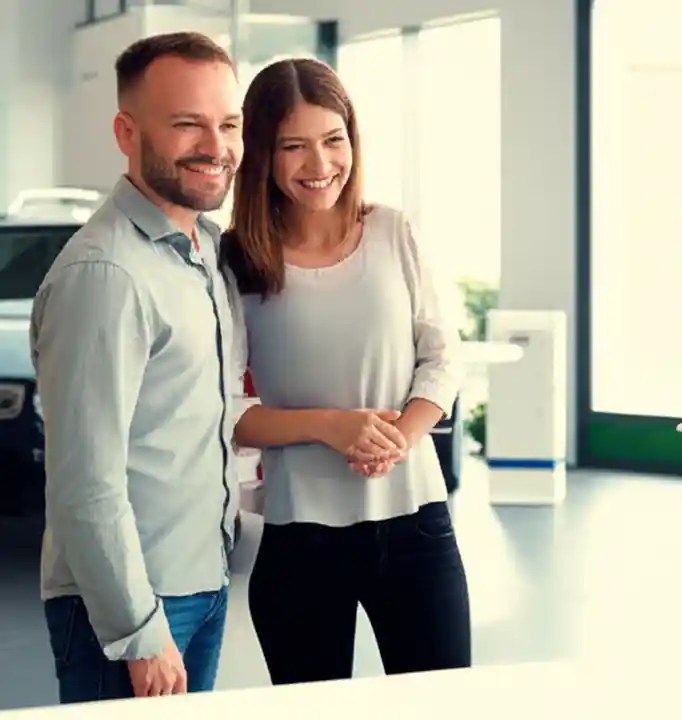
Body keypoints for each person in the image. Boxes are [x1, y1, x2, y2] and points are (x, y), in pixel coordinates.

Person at [219, 57, 471, 685]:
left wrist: (399, 440)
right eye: (294, 146)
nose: (320, 164)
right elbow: (225, 410)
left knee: (443, 703)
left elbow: (441, 356)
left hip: (415, 523)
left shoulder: (392, 231)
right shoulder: (236, 260)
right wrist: (331, 426)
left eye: (334, 140)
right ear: (261, 152)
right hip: (299, 536)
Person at [30, 32, 243, 703]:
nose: (216, 146)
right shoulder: (107, 274)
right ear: (127, 132)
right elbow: (86, 481)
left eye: (228, 124)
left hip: (200, 582)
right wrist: (140, 630)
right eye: (187, 125)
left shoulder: (200, 248)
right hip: (131, 609)